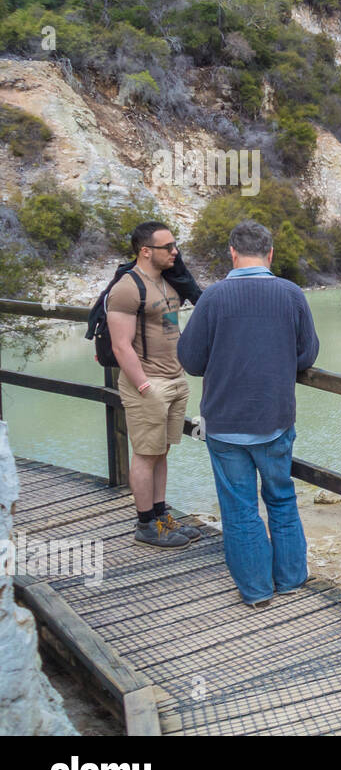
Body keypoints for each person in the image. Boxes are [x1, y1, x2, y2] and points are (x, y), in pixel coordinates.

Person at [177, 220, 320, 608]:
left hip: (225, 425)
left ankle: (257, 591)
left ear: (232, 253)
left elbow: (190, 360)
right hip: (275, 419)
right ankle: (290, 579)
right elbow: (307, 354)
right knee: (281, 498)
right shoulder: (291, 294)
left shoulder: (213, 298)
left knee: (240, 510)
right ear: (270, 254)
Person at [107, 221, 202, 548]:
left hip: (175, 379)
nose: (176, 252)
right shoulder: (127, 288)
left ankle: (161, 515)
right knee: (146, 454)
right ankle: (146, 524)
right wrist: (144, 386)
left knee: (161, 452)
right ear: (146, 251)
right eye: (168, 247)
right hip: (148, 384)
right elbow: (121, 346)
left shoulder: (171, 281)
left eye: (175, 245)